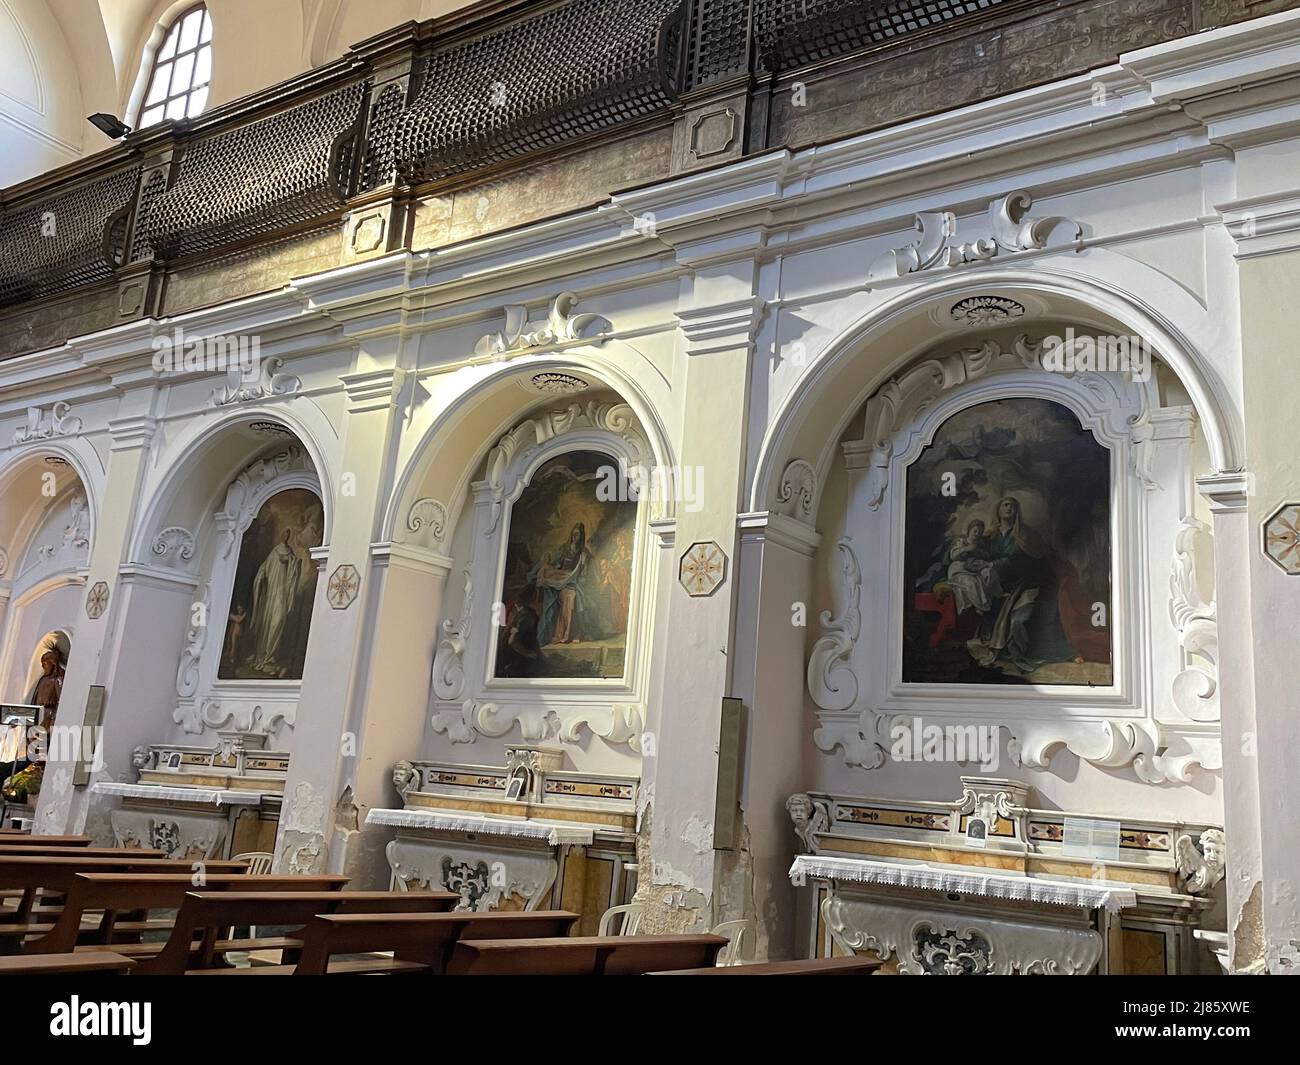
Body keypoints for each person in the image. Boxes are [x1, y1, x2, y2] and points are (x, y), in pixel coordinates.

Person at [247, 528, 302, 675]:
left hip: (282, 595)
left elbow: (294, 571)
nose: (287, 535)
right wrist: (260, 578)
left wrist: (293, 564)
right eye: (285, 533)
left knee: (278, 622)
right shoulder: (274, 552)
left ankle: (270, 657)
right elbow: (263, 570)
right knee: (266, 625)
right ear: (281, 534)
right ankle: (263, 657)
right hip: (271, 595)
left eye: (289, 534)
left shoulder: (290, 555)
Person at [532, 523, 590, 646]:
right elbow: (558, 565)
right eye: (573, 534)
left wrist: (583, 565)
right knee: (546, 572)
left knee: (569, 596)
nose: (574, 537)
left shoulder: (584, 553)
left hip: (574, 583)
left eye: (577, 535)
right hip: (562, 579)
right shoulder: (565, 549)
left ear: (581, 536)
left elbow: (584, 575)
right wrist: (554, 569)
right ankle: (557, 633)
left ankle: (566, 634)